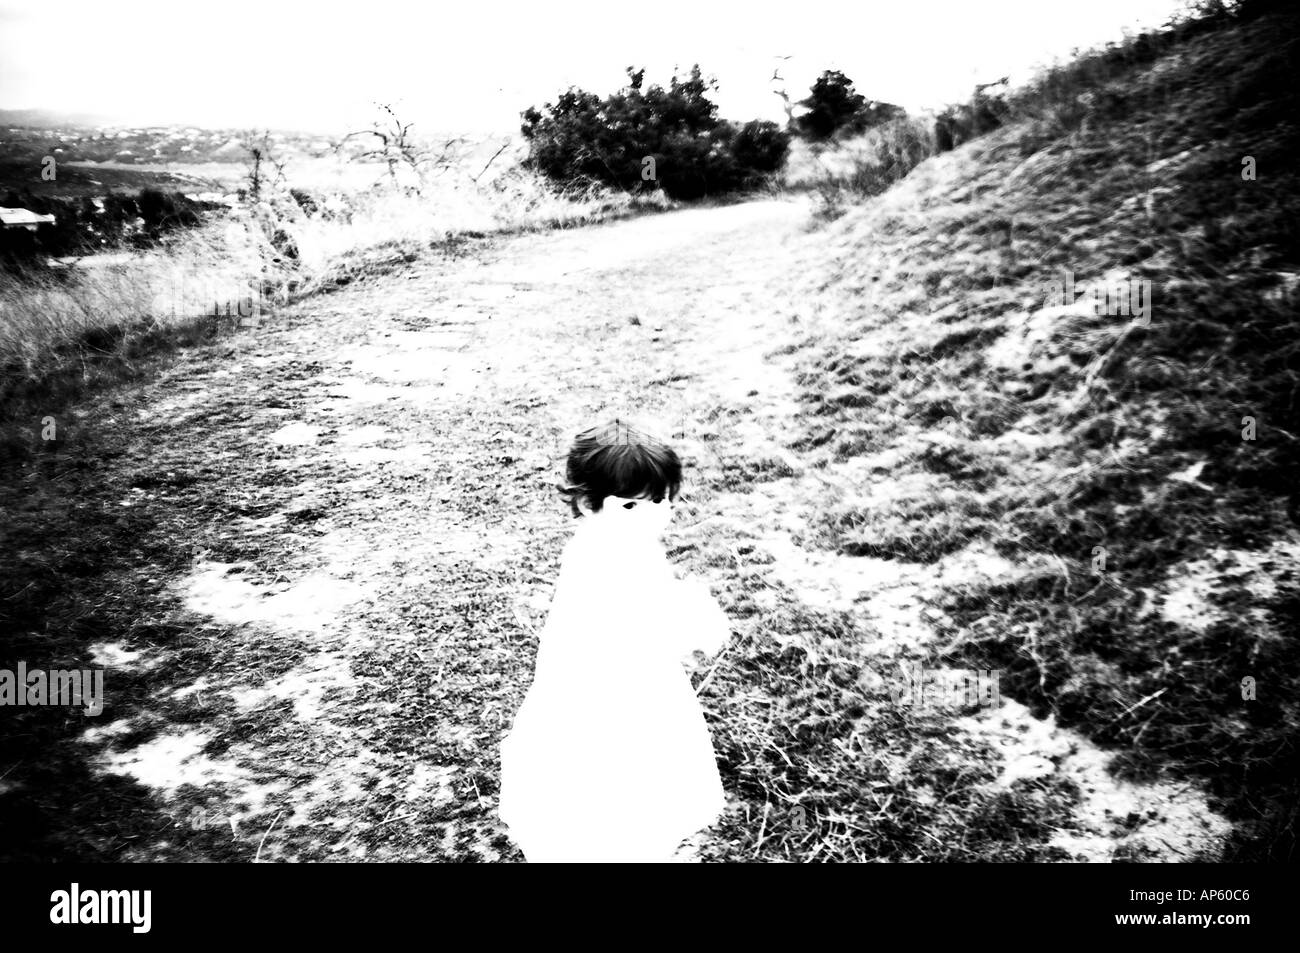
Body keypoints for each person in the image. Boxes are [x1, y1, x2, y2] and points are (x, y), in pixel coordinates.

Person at [498, 419, 731, 862]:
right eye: (629, 506)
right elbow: (641, 622)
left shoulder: (620, 542)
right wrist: (697, 624)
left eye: (661, 501)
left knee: (635, 785)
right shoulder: (605, 557)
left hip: (626, 678)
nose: (651, 514)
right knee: (610, 780)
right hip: (606, 690)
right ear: (589, 503)